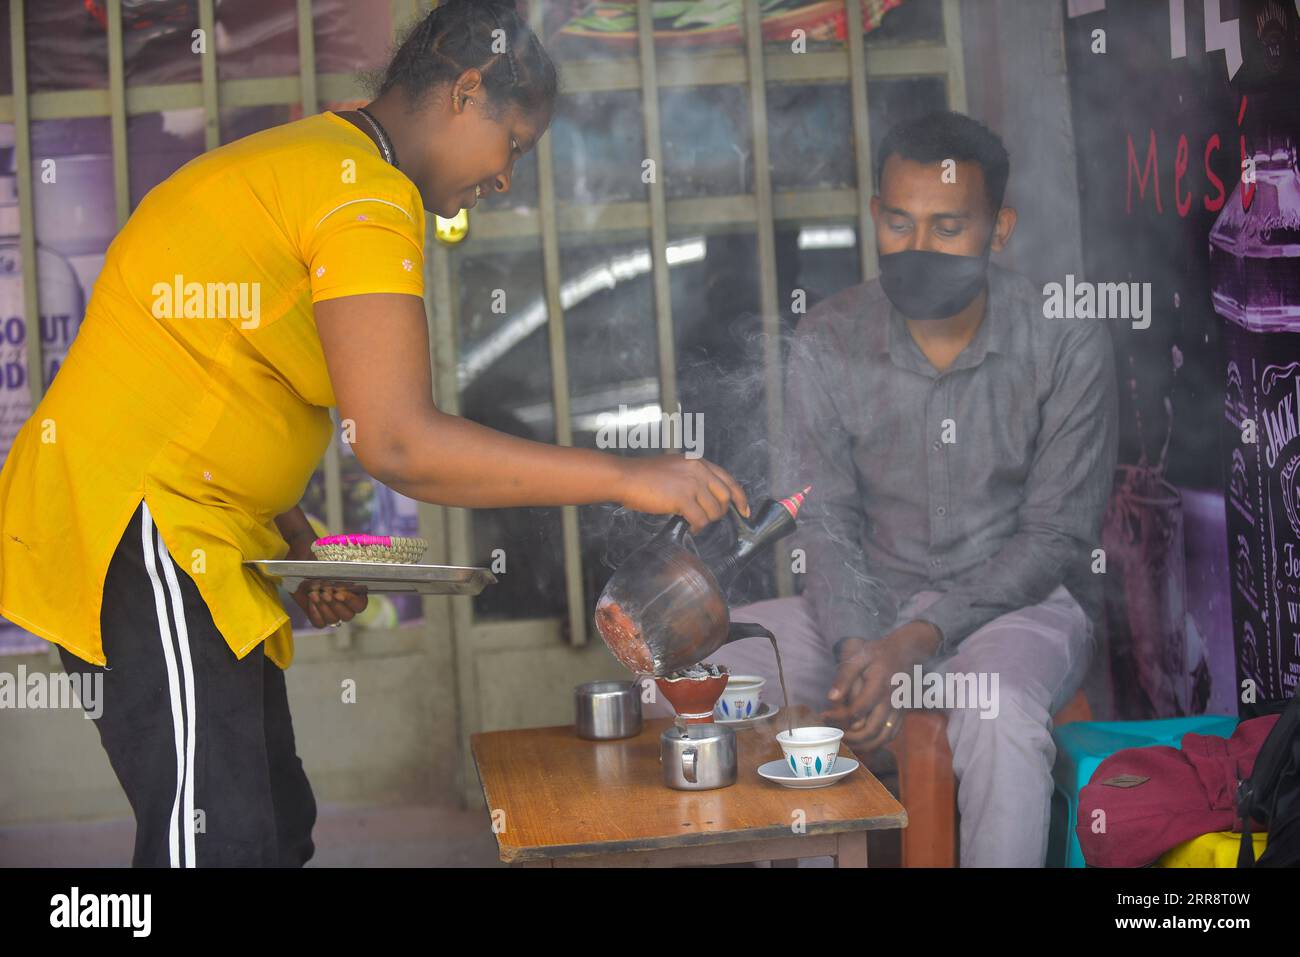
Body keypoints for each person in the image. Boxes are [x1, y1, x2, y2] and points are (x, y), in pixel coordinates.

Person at [0, 0, 748, 868]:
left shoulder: (326, 165)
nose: (507, 179)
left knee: (274, 826)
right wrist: (625, 476)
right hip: (138, 524)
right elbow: (397, 444)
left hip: (185, 521)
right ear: (467, 91)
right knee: (213, 843)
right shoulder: (363, 190)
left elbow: (210, 364)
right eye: (514, 144)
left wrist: (292, 539)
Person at [665, 111, 1118, 867]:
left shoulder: (1064, 340)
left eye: (949, 227)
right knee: (692, 681)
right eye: (900, 223)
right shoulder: (831, 338)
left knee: (999, 714)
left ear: (997, 229)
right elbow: (823, 515)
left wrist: (916, 639)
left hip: (1014, 615)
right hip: (868, 609)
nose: (919, 248)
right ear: (875, 216)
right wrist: (856, 648)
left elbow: (1055, 538)